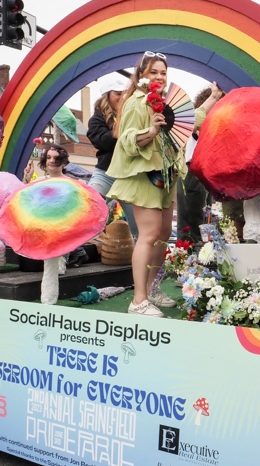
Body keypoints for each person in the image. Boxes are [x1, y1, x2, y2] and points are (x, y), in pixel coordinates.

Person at [106, 51, 185, 317]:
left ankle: (152, 289)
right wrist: (151, 131)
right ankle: (138, 300)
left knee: (163, 233)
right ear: (141, 75)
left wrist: (212, 98)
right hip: (143, 175)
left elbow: (189, 120)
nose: (160, 77)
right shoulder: (135, 102)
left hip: (166, 175)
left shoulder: (165, 103)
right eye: (154, 72)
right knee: (149, 235)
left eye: (163, 72)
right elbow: (127, 140)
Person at [87, 75, 137, 237]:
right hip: (106, 173)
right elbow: (101, 141)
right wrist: (118, 129)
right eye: (117, 93)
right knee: (88, 209)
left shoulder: (133, 114)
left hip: (129, 176)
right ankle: (76, 248)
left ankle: (140, 253)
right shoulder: (97, 119)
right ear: (107, 96)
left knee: (139, 228)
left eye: (125, 94)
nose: (122, 97)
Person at [176, 83, 224, 245]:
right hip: (192, 173)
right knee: (192, 226)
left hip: (200, 174)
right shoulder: (197, 127)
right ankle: (188, 255)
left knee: (203, 222)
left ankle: (198, 253)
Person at [38, 145, 89, 268]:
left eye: (56, 158)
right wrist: (27, 179)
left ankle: (64, 260)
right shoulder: (39, 181)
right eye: (48, 157)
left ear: (63, 162)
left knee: (59, 263)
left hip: (63, 225)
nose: (52, 161)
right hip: (45, 224)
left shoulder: (71, 183)